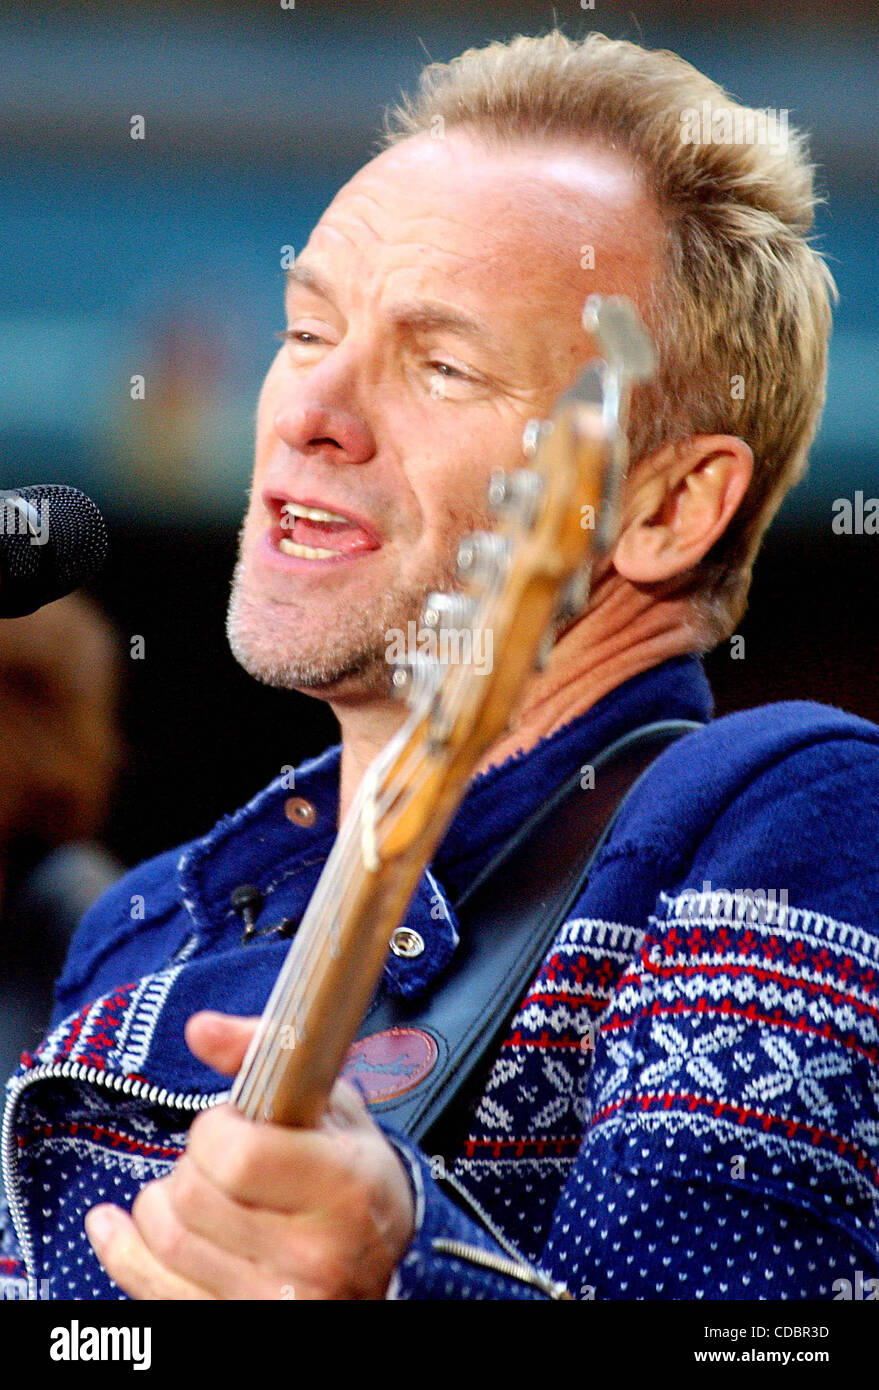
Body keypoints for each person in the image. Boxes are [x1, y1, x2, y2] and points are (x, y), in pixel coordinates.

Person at [2, 30, 877, 1302]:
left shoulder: (780, 815)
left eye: (443, 367)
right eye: (308, 331)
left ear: (668, 506)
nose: (310, 411)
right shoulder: (140, 927)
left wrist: (401, 1270)